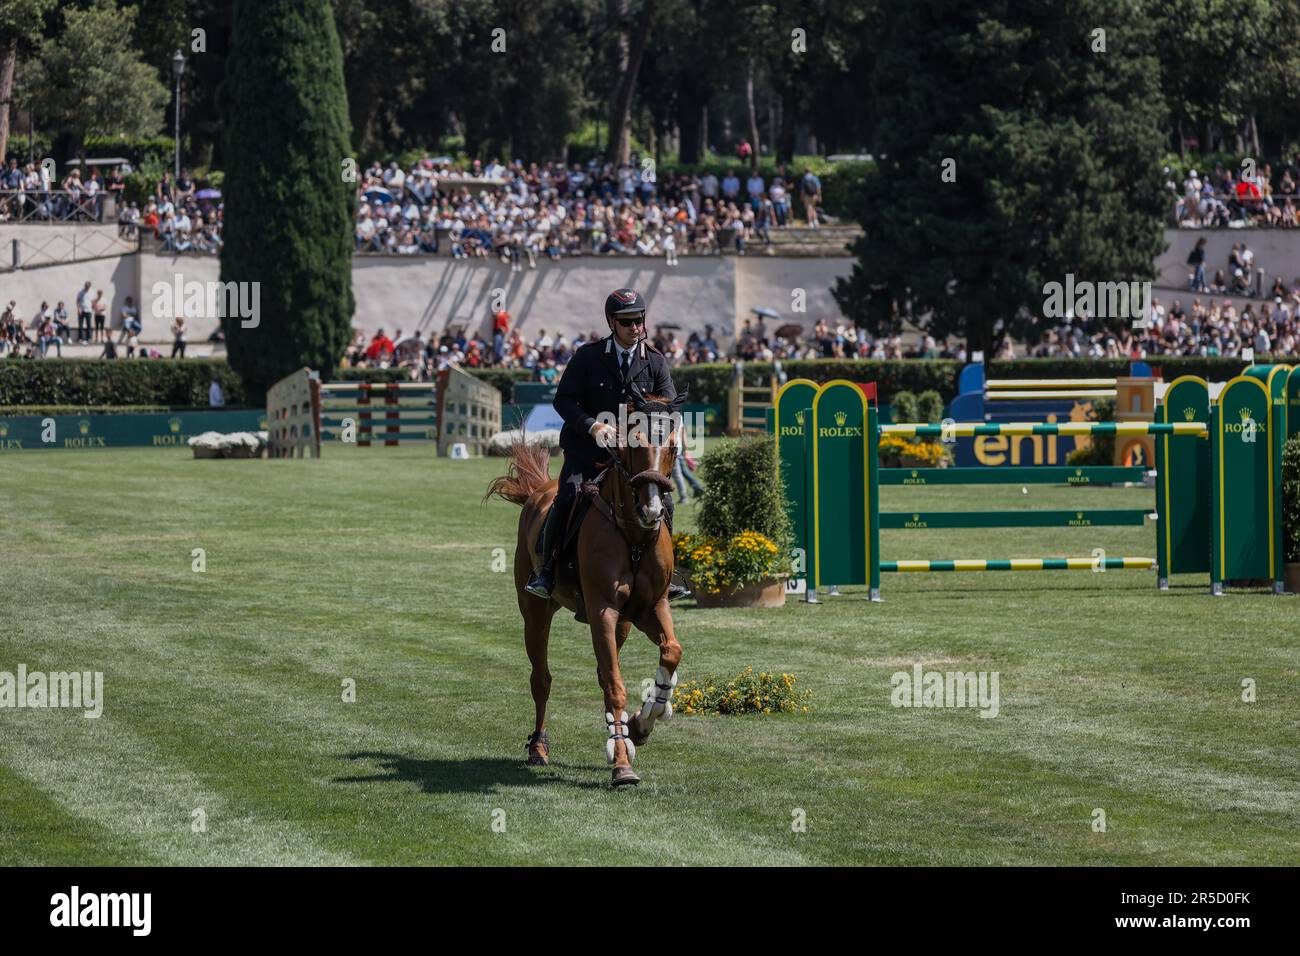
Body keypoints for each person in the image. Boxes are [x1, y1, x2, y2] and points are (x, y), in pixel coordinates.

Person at [524, 287, 691, 607]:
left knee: (665, 503)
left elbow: (671, 406)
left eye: (639, 320)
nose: (635, 327)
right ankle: (546, 571)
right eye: (627, 322)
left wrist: (668, 432)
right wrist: (593, 425)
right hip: (588, 452)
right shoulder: (588, 357)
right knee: (568, 495)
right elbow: (564, 400)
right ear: (612, 323)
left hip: (635, 458)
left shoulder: (655, 361)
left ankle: (667, 575)